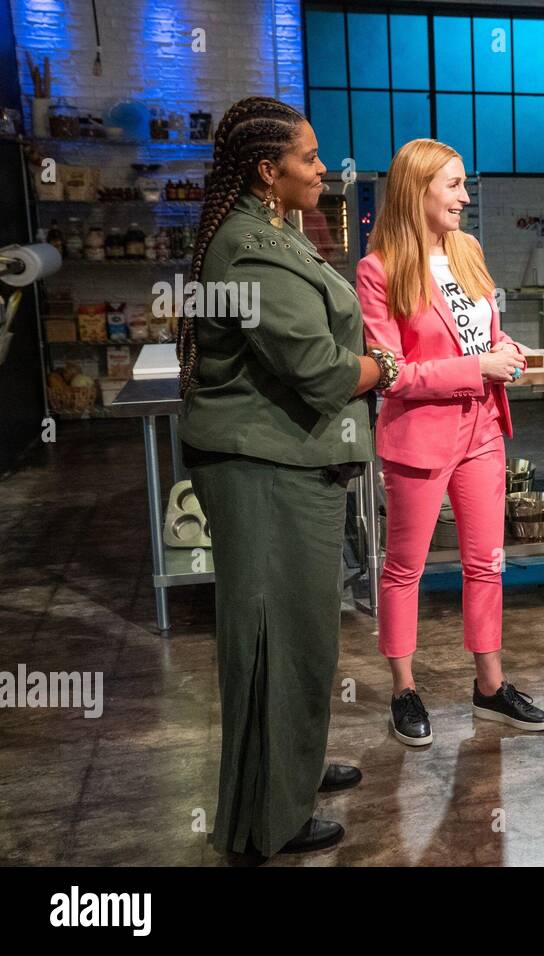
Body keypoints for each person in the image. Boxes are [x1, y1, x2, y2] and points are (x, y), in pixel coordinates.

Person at [177, 96, 398, 858]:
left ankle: (291, 773)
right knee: (276, 644)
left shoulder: (270, 232)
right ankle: (269, 820)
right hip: (262, 473)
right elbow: (319, 371)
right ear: (267, 171)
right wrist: (391, 366)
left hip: (290, 466)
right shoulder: (248, 247)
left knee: (303, 640)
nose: (321, 171)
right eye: (308, 159)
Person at [356, 138, 544, 746]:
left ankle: (489, 686)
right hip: (419, 436)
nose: (466, 196)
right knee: (404, 569)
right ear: (417, 191)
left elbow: (484, 332)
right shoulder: (379, 269)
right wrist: (479, 368)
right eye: (454, 185)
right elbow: (394, 374)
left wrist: (507, 350)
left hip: (483, 430)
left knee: (486, 563)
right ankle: (403, 690)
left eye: (464, 184)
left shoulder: (469, 250)